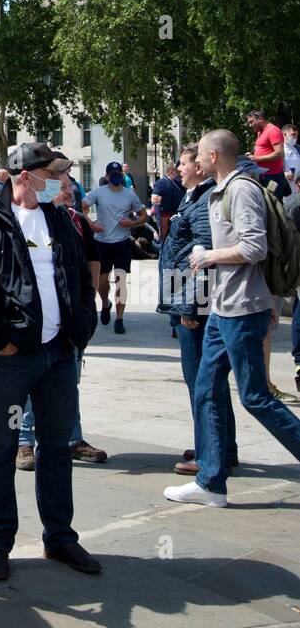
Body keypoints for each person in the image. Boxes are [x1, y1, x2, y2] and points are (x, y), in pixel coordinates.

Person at [0, 141, 100, 579]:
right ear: (27, 175)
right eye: (55, 173)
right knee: (2, 447)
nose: (62, 181)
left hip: (58, 355)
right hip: (13, 359)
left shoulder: (60, 219)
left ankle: (60, 539)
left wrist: (80, 327)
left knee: (55, 447)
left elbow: (77, 273)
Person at [164, 129, 300, 507]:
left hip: (241, 310)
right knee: (206, 389)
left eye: (201, 155)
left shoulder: (241, 190)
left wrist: (208, 255)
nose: (194, 161)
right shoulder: (223, 190)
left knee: (255, 397)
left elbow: (254, 247)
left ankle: (211, 480)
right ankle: (211, 483)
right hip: (224, 308)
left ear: (213, 156)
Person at [16, 163, 107, 470]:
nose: (65, 190)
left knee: (68, 385)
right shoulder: (22, 220)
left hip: (69, 325)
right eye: (59, 183)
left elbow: (92, 262)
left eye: (69, 187)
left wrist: (86, 306)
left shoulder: (76, 221)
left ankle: (72, 438)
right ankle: (24, 442)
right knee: (29, 387)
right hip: (34, 328)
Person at [157, 143, 239, 476]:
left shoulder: (204, 201)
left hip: (195, 306)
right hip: (184, 298)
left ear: (200, 167)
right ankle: (217, 446)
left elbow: (203, 255)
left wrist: (191, 306)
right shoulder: (191, 197)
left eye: (185, 162)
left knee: (202, 382)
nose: (179, 167)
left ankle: (212, 452)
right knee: (205, 382)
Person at [83, 161, 147, 333]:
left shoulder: (129, 195)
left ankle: (119, 319)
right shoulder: (98, 193)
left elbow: (144, 215)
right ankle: (105, 303)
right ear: (107, 176)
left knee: (121, 281)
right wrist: (91, 224)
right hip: (102, 242)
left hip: (122, 242)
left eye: (119, 173)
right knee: (102, 282)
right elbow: (82, 208)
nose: (116, 176)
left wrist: (131, 222)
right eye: (113, 174)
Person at [246, 110, 289, 201]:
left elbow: (280, 153)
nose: (250, 125)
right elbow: (265, 150)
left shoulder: (273, 130)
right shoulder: (260, 132)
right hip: (263, 175)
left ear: (260, 119)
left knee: (274, 207)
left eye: (251, 122)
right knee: (266, 206)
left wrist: (256, 158)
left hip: (273, 176)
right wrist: (252, 156)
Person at [150, 162, 184, 241]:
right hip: (165, 218)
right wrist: (164, 204)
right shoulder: (161, 183)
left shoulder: (177, 183)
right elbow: (154, 199)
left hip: (176, 216)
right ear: (171, 171)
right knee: (165, 240)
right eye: (177, 171)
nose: (178, 173)